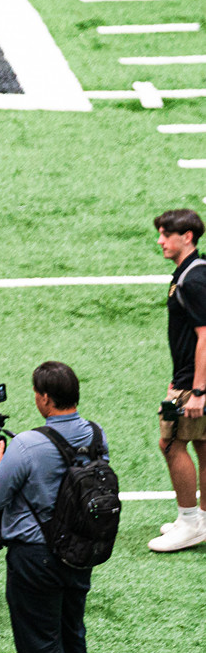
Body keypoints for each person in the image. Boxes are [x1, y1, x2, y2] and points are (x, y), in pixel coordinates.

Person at [0, 361, 105, 653]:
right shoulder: (96, 436)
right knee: (72, 633)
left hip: (36, 558)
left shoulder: (28, 445)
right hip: (81, 551)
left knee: (41, 643)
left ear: (45, 398)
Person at [151, 208, 206, 551]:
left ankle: (189, 522)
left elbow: (205, 335)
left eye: (165, 235)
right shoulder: (193, 272)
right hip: (192, 378)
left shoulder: (192, 279)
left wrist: (197, 390)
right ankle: (200, 517)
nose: (160, 241)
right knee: (203, 445)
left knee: (170, 443)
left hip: (193, 382)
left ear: (186, 237)